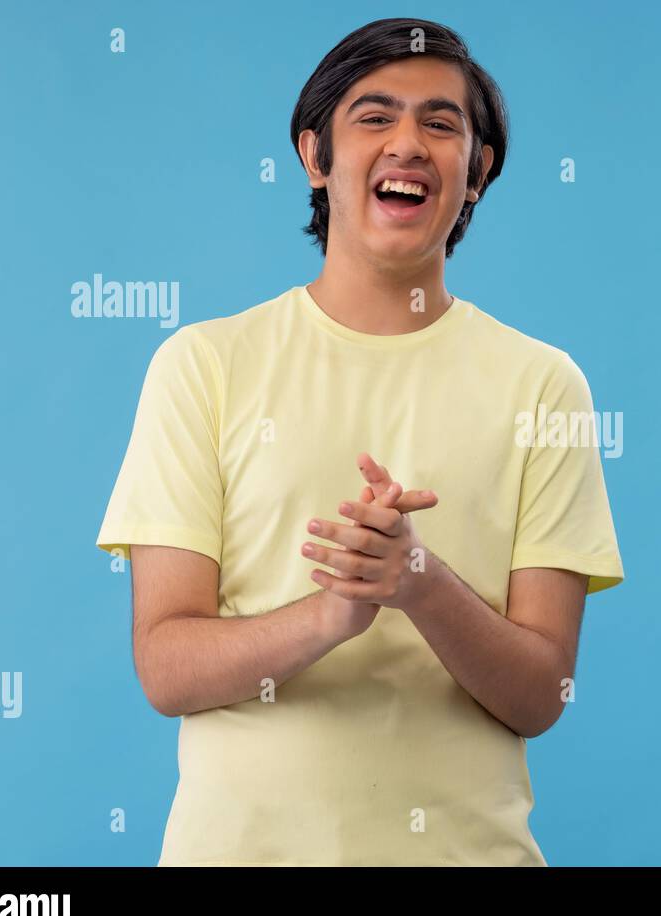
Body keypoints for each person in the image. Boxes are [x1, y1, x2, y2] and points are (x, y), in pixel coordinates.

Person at [94, 17, 624, 866]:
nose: (408, 143)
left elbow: (541, 693)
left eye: (442, 124)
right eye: (374, 117)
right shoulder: (203, 366)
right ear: (316, 157)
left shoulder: (544, 385)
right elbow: (166, 666)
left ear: (478, 171)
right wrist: (334, 613)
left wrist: (419, 583)